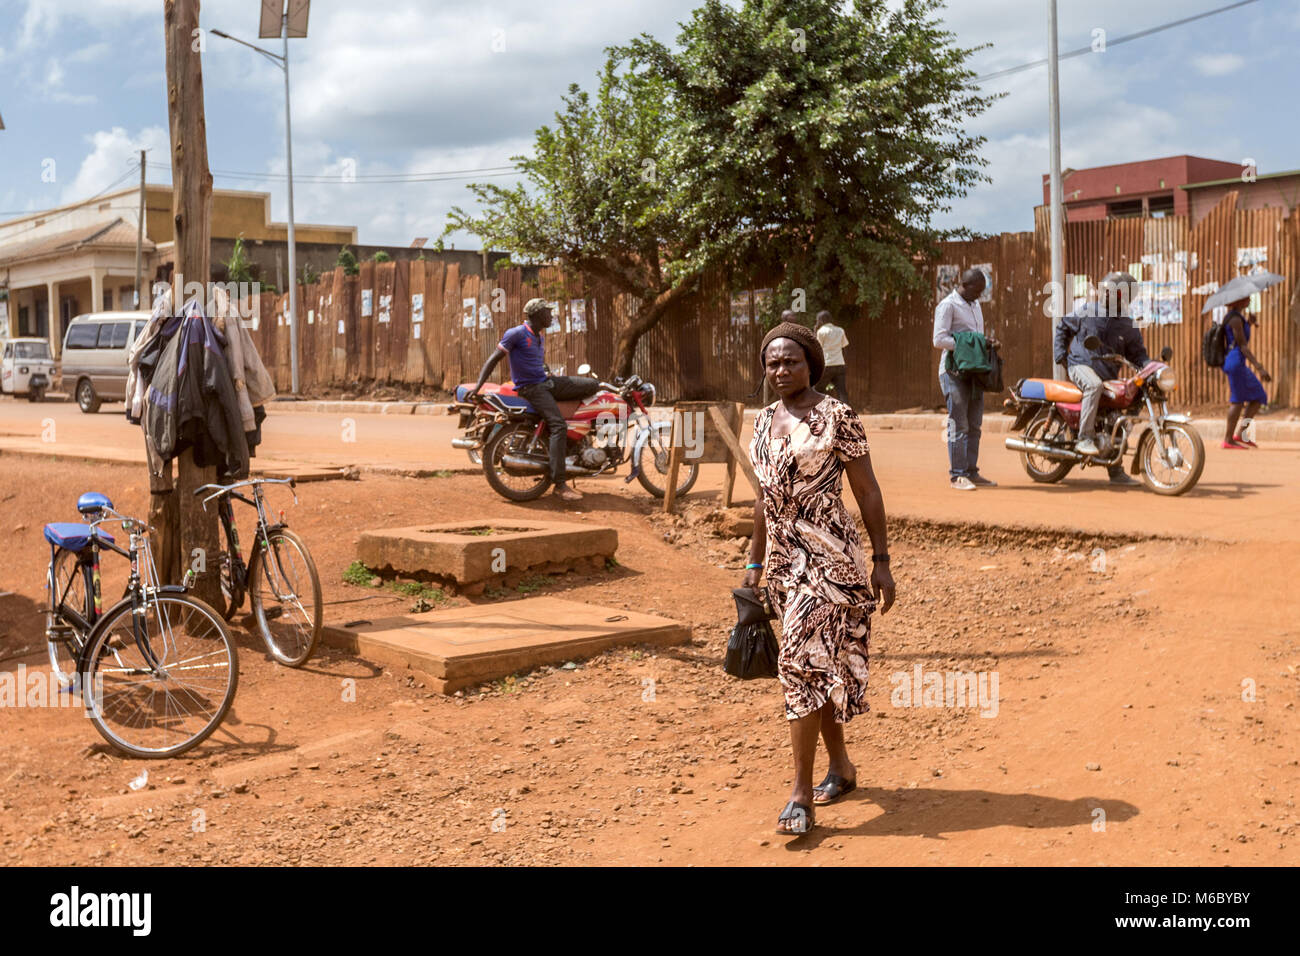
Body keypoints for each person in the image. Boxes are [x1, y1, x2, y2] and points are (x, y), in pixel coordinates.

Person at [745, 321, 896, 837]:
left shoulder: (837, 417)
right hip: (786, 564)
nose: (780, 370)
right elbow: (764, 502)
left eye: (789, 361)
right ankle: (844, 769)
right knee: (817, 669)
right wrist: (753, 566)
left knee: (797, 664)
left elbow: (868, 491)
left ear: (811, 363)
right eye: (772, 362)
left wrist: (881, 560)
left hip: (831, 562)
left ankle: (799, 794)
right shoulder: (763, 423)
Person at [469, 298, 598, 502]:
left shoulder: (539, 336)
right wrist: (478, 387)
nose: (551, 316)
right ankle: (560, 484)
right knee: (558, 425)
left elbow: (534, 363)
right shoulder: (517, 334)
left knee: (591, 385)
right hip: (532, 389)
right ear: (537, 315)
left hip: (545, 382)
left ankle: (575, 447)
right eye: (547, 313)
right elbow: (493, 359)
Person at [1053, 271, 1148, 486]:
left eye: (1111, 292)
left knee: (1116, 416)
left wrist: (1150, 368)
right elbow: (1063, 327)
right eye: (1103, 290)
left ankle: (1115, 470)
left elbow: (1139, 354)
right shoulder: (1087, 311)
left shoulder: (1127, 324)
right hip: (1080, 366)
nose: (1105, 295)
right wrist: (1061, 356)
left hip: (1108, 375)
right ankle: (1084, 438)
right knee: (1094, 385)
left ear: (1123, 297)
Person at [933, 268, 998, 490]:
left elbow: (973, 335)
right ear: (966, 285)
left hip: (973, 373)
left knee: (974, 425)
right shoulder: (947, 305)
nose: (980, 295)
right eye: (978, 290)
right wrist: (970, 343)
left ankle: (971, 471)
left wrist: (984, 342)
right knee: (958, 425)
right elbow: (939, 339)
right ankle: (958, 475)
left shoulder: (974, 304)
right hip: (954, 372)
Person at [1219, 298, 1271, 449]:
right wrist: (1259, 367)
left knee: (1258, 396)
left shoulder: (1238, 318)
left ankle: (1241, 434)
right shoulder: (1234, 319)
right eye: (1246, 298)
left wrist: (1249, 323)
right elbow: (1242, 345)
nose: (1249, 299)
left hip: (1237, 362)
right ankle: (1228, 440)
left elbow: (1239, 339)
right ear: (1239, 301)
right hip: (1235, 363)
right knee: (1238, 401)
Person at [816, 311, 852, 408]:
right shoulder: (840, 330)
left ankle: (819, 412)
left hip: (827, 365)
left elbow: (818, 348)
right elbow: (845, 348)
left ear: (821, 320)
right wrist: (843, 361)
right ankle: (847, 414)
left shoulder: (821, 332)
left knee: (818, 390)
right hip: (840, 364)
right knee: (842, 391)